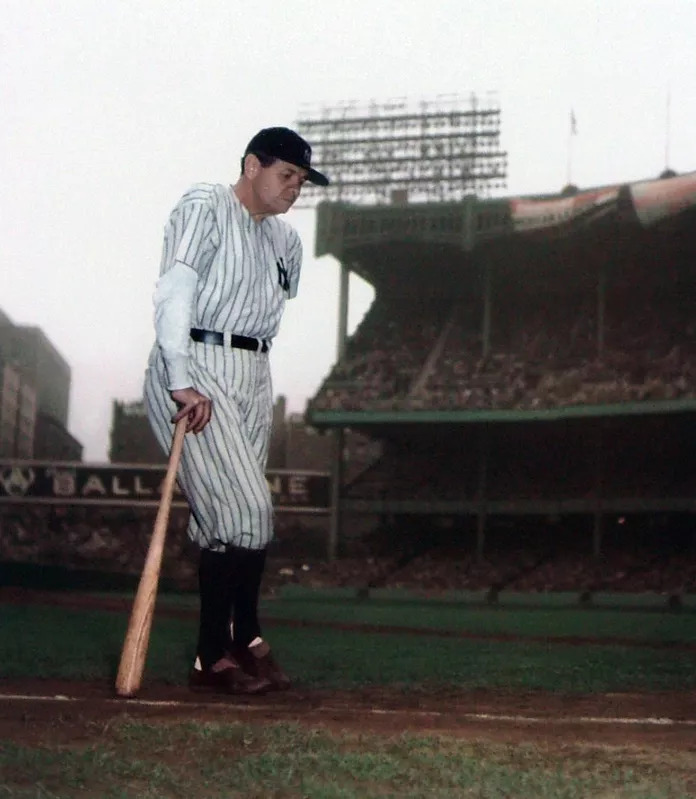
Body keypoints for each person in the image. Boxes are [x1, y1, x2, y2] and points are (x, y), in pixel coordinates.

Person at [143, 127, 329, 695]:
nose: (295, 188)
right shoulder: (205, 204)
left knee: (223, 530)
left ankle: (209, 657)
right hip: (196, 365)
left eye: (301, 180)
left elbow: (268, 301)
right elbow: (174, 291)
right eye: (286, 175)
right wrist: (180, 381)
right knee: (251, 512)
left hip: (253, 373)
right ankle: (244, 636)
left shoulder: (286, 244)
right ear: (252, 166)